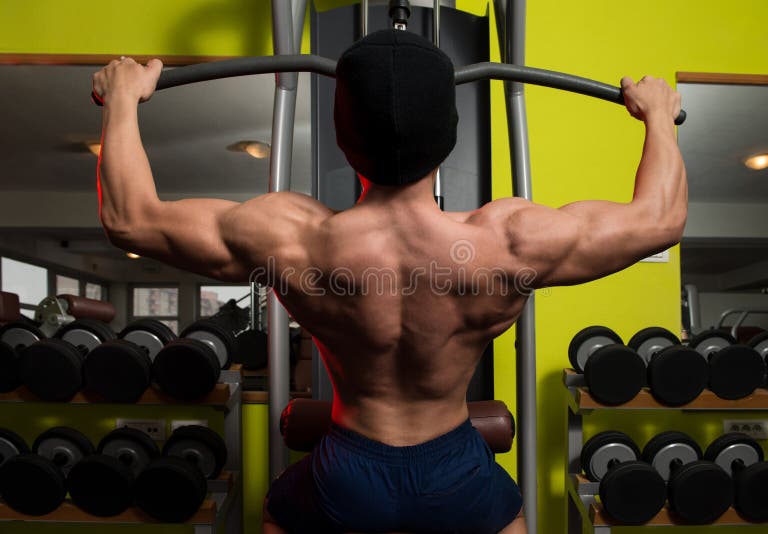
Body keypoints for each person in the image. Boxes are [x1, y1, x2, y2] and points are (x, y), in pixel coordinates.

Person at [92, 29, 685, 534]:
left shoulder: (290, 238)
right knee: (510, 515)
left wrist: (122, 102)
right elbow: (659, 221)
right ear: (447, 136)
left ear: (345, 138)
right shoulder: (510, 241)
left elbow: (130, 220)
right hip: (456, 469)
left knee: (277, 512)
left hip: (346, 472)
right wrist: (658, 117)